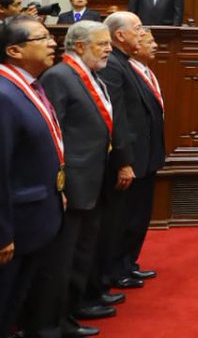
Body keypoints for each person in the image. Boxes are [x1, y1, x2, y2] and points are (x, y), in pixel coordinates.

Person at [30, 21, 129, 338]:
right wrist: (58, 184)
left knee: (81, 253)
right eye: (102, 44)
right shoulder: (60, 76)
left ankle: (75, 308)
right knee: (62, 259)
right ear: (80, 45)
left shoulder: (90, 74)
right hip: (70, 184)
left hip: (91, 181)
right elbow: (52, 134)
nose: (109, 49)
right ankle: (52, 322)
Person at [0, 16, 64, 337]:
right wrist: (2, 233)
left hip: (34, 218)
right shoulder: (4, 94)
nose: (53, 43)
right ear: (14, 50)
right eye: (43, 38)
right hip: (13, 228)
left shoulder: (28, 87)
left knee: (15, 305)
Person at [98, 12, 162, 291]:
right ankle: (115, 269)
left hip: (144, 156)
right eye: (138, 29)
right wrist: (123, 160)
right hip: (130, 159)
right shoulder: (114, 65)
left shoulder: (125, 63)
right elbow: (118, 118)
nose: (143, 33)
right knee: (123, 219)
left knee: (137, 217)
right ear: (120, 35)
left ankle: (126, 264)